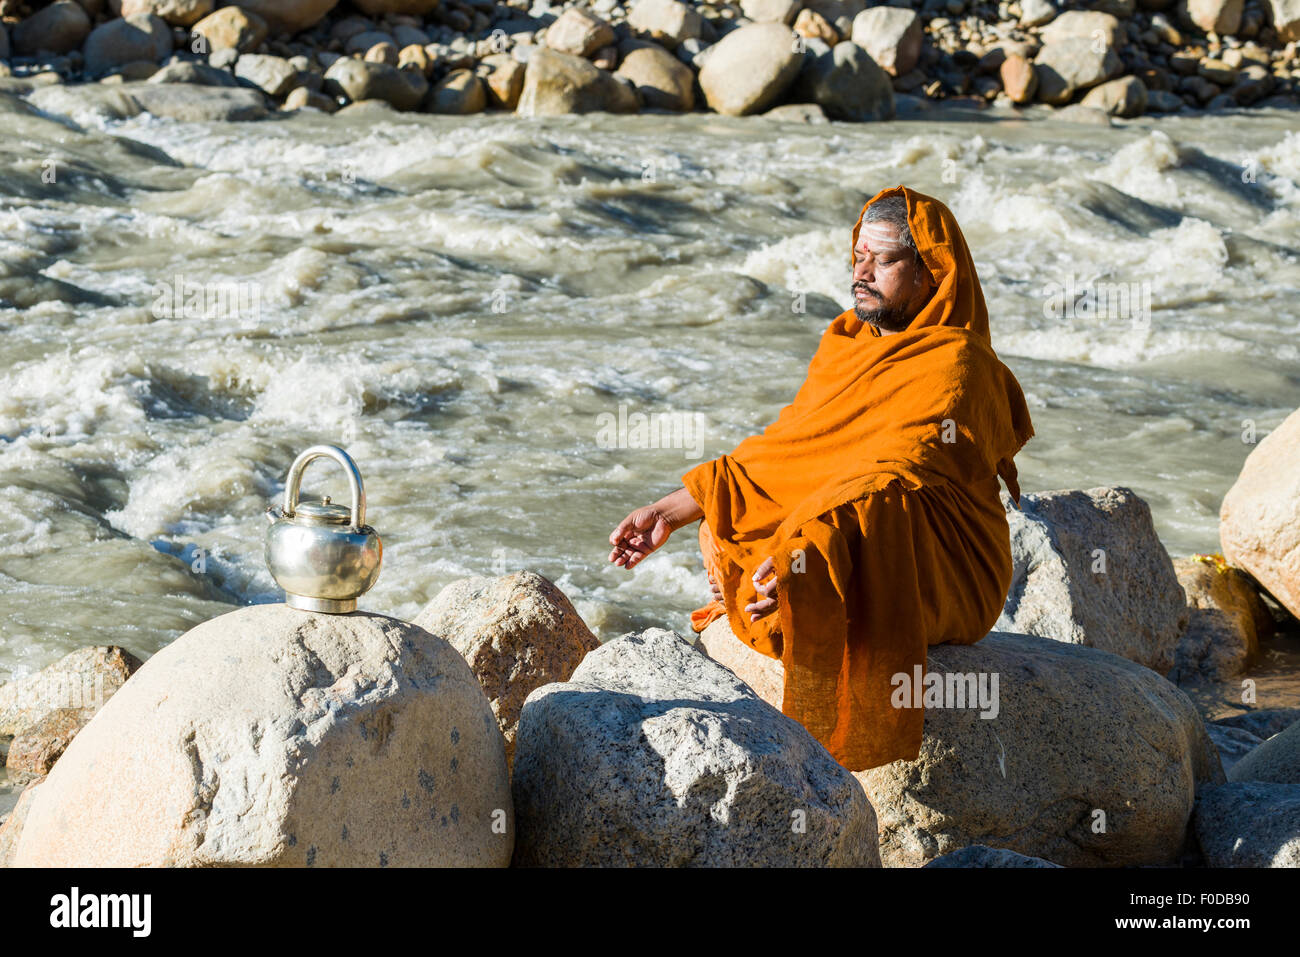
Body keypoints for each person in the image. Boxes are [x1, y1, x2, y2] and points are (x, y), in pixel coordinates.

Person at [608, 185, 1035, 771]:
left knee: (865, 510)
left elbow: (898, 472)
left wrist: (808, 556)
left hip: (941, 564)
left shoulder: (960, 363)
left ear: (932, 271)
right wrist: (676, 508)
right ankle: (793, 579)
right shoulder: (844, 344)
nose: (862, 273)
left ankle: (801, 584)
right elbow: (789, 452)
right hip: (854, 519)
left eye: (883, 260)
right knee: (734, 522)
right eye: (857, 256)